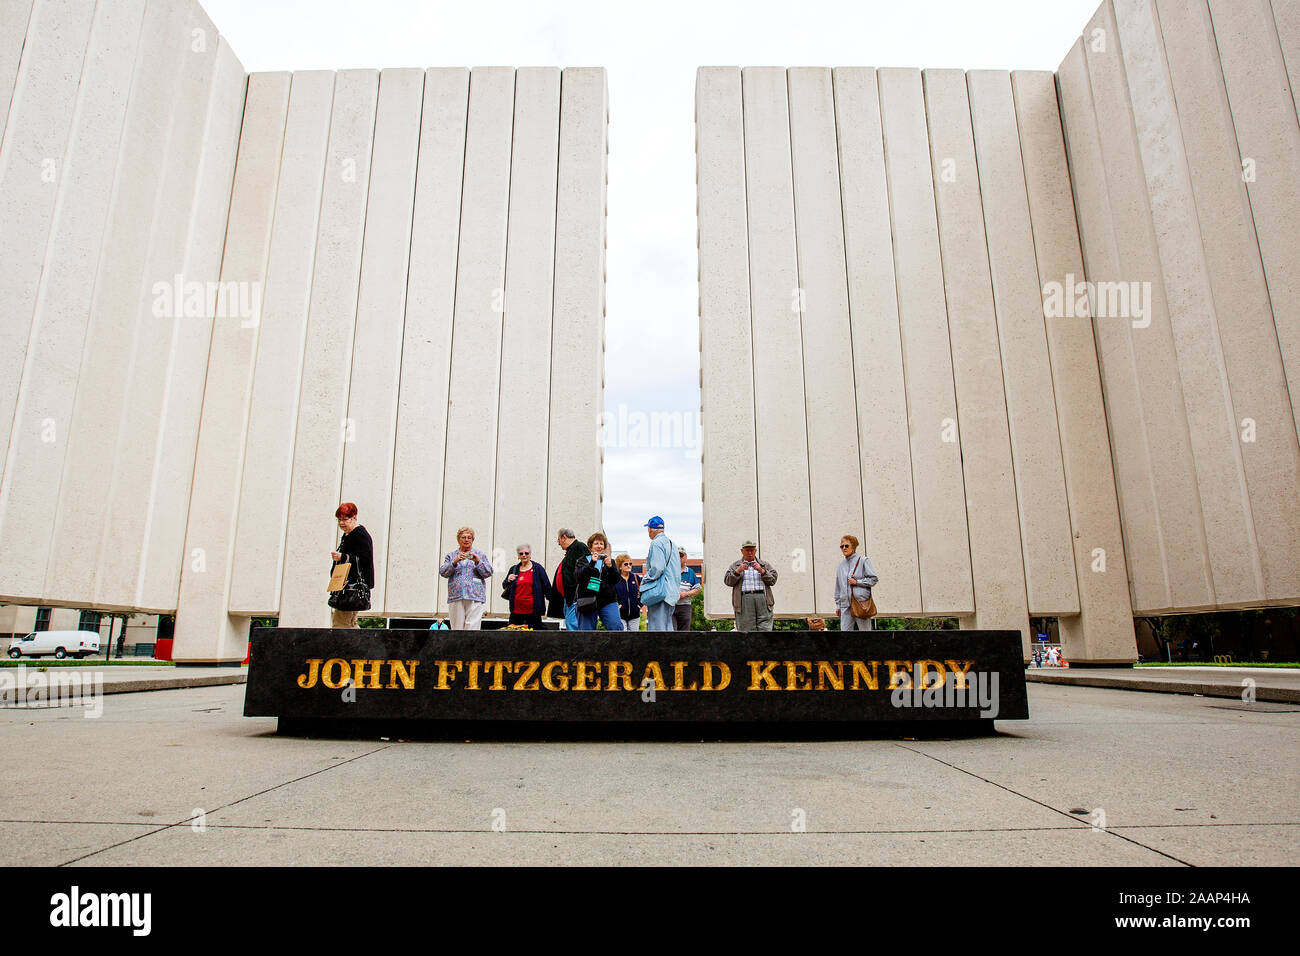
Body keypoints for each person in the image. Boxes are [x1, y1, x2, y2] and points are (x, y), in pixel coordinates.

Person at [439, 526, 493, 629]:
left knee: (472, 627)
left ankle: (471, 646)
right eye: (463, 537)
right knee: (457, 628)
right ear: (458, 539)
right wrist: (454, 562)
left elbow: (488, 572)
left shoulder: (480, 555)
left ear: (473, 540)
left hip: (475, 595)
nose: (466, 540)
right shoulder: (451, 555)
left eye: (469, 537)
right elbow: (443, 572)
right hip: (456, 595)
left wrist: (478, 562)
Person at [329, 502, 374, 628]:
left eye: (345, 519)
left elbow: (365, 558)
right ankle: (360, 647)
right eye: (339, 519)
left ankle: (345, 647)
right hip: (348, 586)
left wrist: (343, 557)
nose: (341, 523)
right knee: (350, 623)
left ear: (354, 517)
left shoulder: (359, 534)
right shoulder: (349, 534)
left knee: (341, 623)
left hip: (351, 587)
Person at [723, 540, 777, 631]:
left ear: (755, 551)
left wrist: (762, 571)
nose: (750, 553)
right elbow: (728, 581)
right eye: (747, 550)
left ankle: (764, 645)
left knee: (765, 629)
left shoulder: (764, 564)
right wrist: (737, 571)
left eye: (752, 550)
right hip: (744, 599)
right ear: (742, 551)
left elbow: (773, 580)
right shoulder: (735, 565)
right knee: (746, 629)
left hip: (763, 598)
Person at [574, 532, 623, 631]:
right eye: (596, 543)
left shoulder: (609, 561)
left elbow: (616, 580)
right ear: (590, 546)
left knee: (616, 627)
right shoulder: (582, 560)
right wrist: (592, 563)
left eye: (601, 544)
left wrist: (610, 567)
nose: (599, 546)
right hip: (587, 600)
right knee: (586, 631)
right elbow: (579, 577)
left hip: (607, 600)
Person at [639, 516, 680, 631]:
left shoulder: (656, 543)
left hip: (660, 592)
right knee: (668, 626)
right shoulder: (672, 544)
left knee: (657, 628)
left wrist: (645, 580)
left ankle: (657, 649)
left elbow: (657, 568)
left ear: (650, 529)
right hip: (672, 593)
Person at [835, 535, 879, 631]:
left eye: (846, 546)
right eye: (841, 546)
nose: (844, 548)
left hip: (860, 604)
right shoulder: (840, 566)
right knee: (845, 635)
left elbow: (873, 579)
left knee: (865, 634)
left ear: (854, 546)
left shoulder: (863, 561)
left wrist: (857, 582)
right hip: (845, 606)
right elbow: (838, 587)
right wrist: (838, 605)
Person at [502, 543, 550, 629]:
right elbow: (505, 585)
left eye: (526, 553)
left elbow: (547, 586)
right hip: (516, 611)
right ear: (518, 556)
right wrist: (508, 580)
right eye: (521, 553)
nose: (524, 555)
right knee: (514, 636)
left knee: (534, 637)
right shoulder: (514, 569)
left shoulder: (538, 569)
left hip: (533, 611)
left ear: (530, 555)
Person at [557, 528, 591, 631]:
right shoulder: (570, 551)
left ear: (564, 537)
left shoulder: (579, 547)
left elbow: (587, 570)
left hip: (575, 595)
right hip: (568, 596)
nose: (558, 543)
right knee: (569, 623)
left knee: (572, 624)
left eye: (558, 540)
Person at [674, 547, 700, 632]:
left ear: (685, 557)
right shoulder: (670, 571)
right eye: (676, 555)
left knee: (684, 633)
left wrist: (685, 594)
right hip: (670, 606)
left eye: (681, 555)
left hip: (685, 607)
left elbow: (697, 589)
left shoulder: (690, 572)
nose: (679, 558)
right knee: (671, 632)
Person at [613, 553, 642, 627]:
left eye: (630, 563)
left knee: (634, 637)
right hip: (620, 615)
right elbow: (612, 593)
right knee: (623, 637)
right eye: (626, 564)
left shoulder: (636, 578)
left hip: (635, 615)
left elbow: (643, 591)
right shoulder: (615, 579)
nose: (629, 565)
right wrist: (617, 605)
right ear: (620, 566)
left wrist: (639, 605)